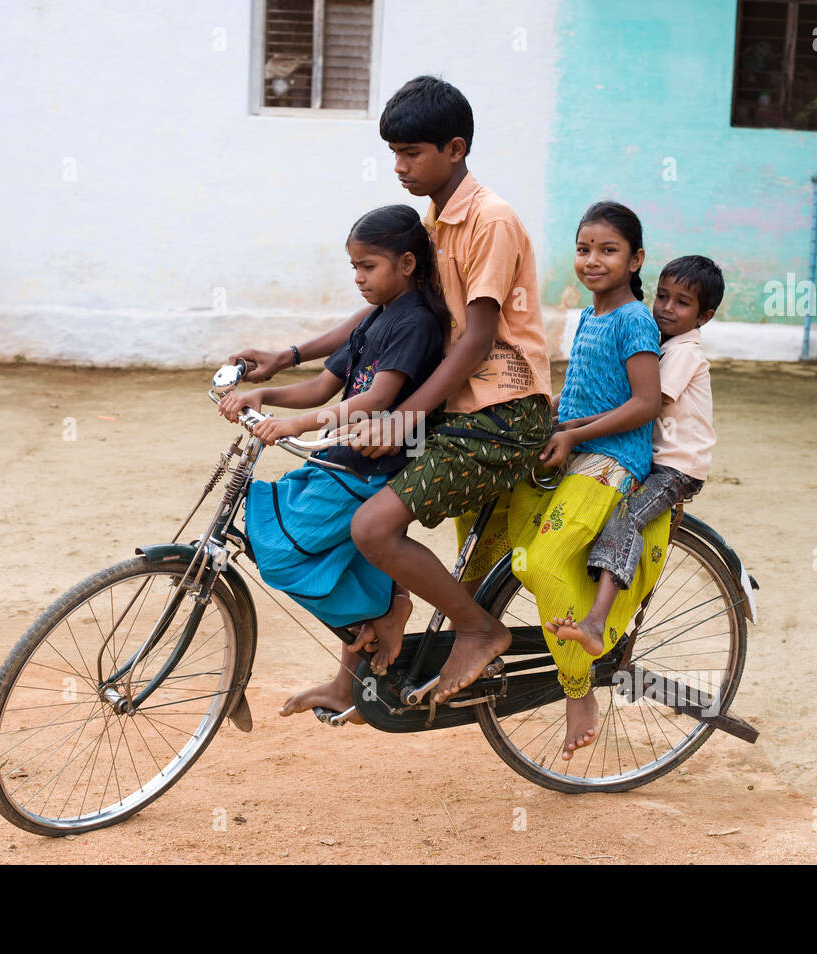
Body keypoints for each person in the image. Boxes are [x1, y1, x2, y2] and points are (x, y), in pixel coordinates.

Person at [265, 75, 554, 718]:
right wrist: (289, 356)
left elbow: (478, 339)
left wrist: (403, 420)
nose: (399, 166)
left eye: (412, 152)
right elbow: (380, 314)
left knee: (373, 522)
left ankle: (481, 630)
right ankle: (356, 670)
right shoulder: (433, 221)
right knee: (355, 487)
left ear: (455, 149)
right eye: (393, 152)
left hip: (503, 415)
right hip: (452, 410)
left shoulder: (490, 220)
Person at [217, 205, 446, 714]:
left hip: (369, 468)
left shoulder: (416, 323)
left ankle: (386, 611)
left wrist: (299, 424)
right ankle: (353, 672)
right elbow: (325, 384)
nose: (360, 278)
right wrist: (267, 398)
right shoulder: (377, 318)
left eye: (369, 267)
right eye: (354, 268)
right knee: (335, 561)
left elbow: (378, 399)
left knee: (278, 552)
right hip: (340, 462)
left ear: (407, 264)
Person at [506, 200, 669, 761]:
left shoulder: (633, 320)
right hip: (575, 447)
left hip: (614, 462)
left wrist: (576, 436)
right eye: (583, 249)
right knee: (502, 525)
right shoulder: (588, 316)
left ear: (635, 259)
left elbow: (645, 403)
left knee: (544, 561)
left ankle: (579, 688)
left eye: (608, 250)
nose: (592, 260)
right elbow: (586, 390)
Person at [546, 255, 722, 656]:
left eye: (682, 303)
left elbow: (645, 403)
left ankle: (596, 621)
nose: (665, 308)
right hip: (649, 455)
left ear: (704, 316)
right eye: (662, 296)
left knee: (626, 516)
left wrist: (576, 426)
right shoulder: (657, 341)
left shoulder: (683, 353)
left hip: (676, 468)